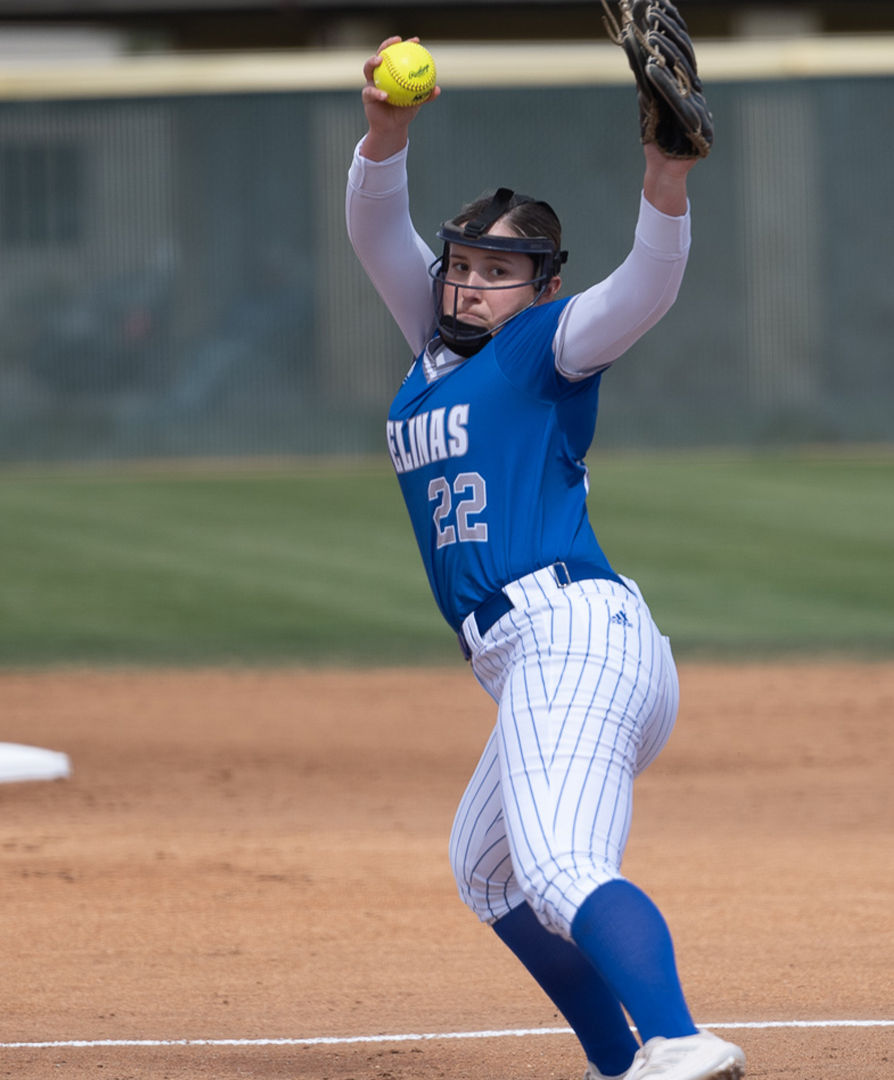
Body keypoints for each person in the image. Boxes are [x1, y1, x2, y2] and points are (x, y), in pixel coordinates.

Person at [346, 35, 745, 1080]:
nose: (473, 285)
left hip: (569, 636)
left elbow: (647, 289)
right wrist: (387, 131)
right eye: (464, 267)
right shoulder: (431, 359)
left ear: (542, 285)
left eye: (500, 273)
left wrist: (666, 181)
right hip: (541, 657)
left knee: (562, 867)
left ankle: (678, 1040)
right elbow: (374, 223)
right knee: (488, 873)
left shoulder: (550, 346)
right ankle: (619, 1059)